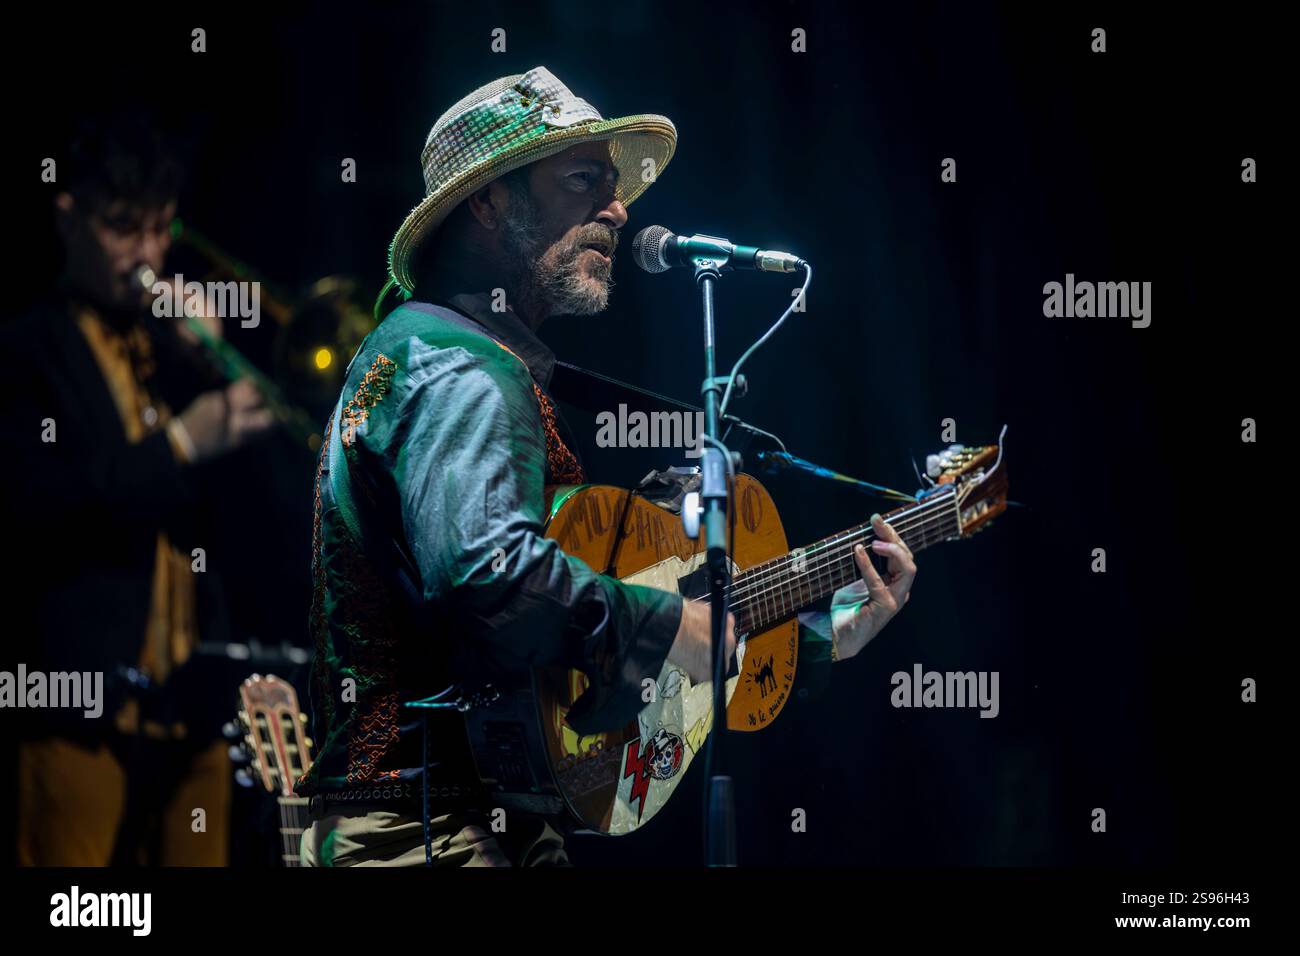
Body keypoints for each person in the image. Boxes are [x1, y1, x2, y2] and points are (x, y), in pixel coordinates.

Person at [296, 67, 917, 866]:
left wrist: (826, 637)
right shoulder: (459, 367)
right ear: (489, 202)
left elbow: (550, 647)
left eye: (616, 185)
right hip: (430, 835)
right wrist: (668, 630)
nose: (619, 209)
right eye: (584, 179)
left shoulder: (460, 357)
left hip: (469, 821)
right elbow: (492, 577)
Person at [2, 114, 274, 865]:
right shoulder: (27, 349)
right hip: (77, 704)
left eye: (161, 229)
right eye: (125, 229)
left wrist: (209, 365)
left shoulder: (171, 348)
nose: (149, 255)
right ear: (69, 217)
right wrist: (184, 439)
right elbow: (42, 509)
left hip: (194, 702)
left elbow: (257, 515)